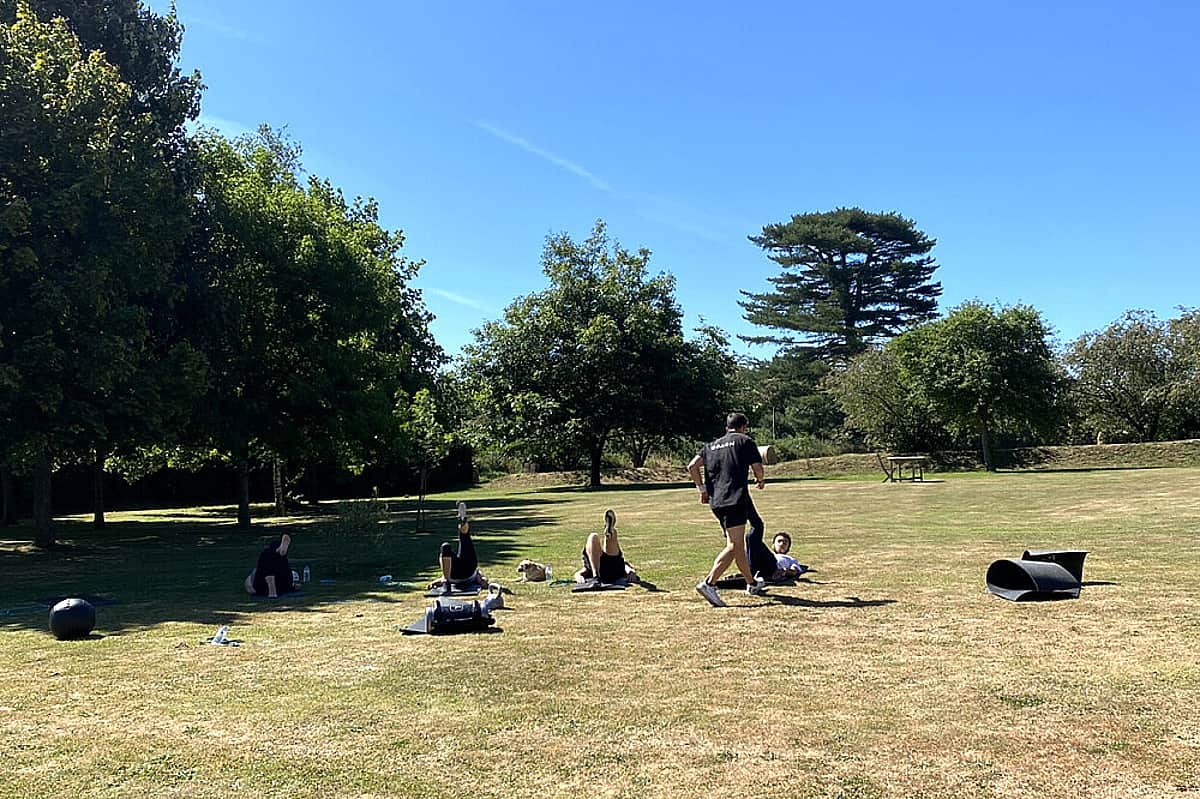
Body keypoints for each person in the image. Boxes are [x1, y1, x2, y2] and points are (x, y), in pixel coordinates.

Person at [688, 412, 768, 607]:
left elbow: (692, 466)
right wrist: (760, 479)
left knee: (737, 545)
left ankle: (751, 583)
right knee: (733, 546)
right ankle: (709, 583)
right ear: (743, 427)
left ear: (726, 428)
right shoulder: (745, 441)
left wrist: (702, 489)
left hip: (717, 501)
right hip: (735, 499)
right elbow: (757, 467)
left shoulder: (710, 446)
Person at [428, 501, 489, 593]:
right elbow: (480, 576)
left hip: (454, 574)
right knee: (464, 539)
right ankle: (463, 524)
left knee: (446, 548)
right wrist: (482, 580)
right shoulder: (475, 575)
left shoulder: (447, 572)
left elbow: (481, 577)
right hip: (469, 570)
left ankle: (463, 524)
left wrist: (436, 582)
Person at [573, 509, 639, 584]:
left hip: (600, 568)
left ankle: (596, 576)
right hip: (614, 569)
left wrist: (577, 575)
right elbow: (625, 564)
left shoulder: (590, 566)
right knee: (604, 540)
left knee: (593, 537)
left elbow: (584, 570)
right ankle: (610, 533)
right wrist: (630, 570)